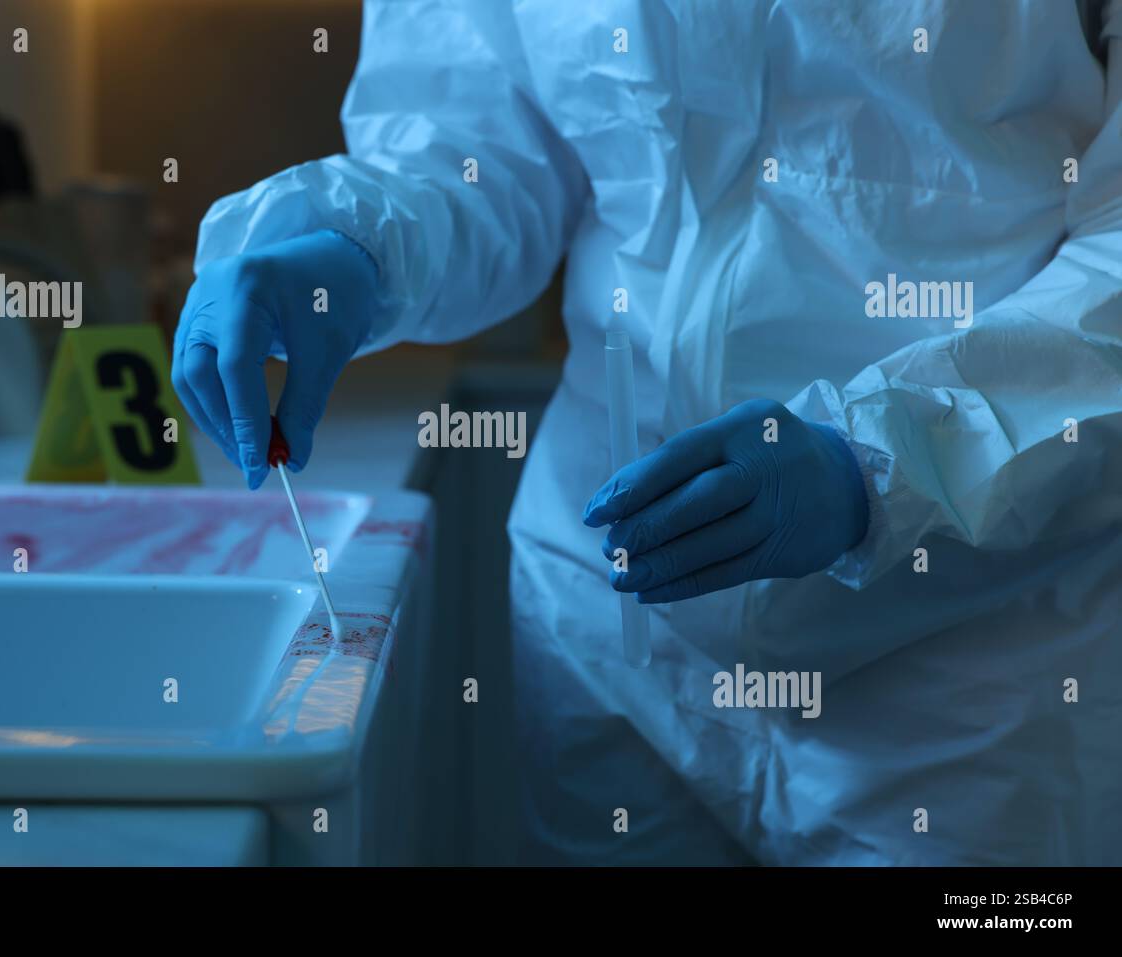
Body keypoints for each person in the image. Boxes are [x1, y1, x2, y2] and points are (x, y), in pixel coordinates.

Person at [174, 0, 1122, 864]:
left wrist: (891, 456)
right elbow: (481, 150)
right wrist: (358, 244)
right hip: (611, 624)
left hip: (977, 667)